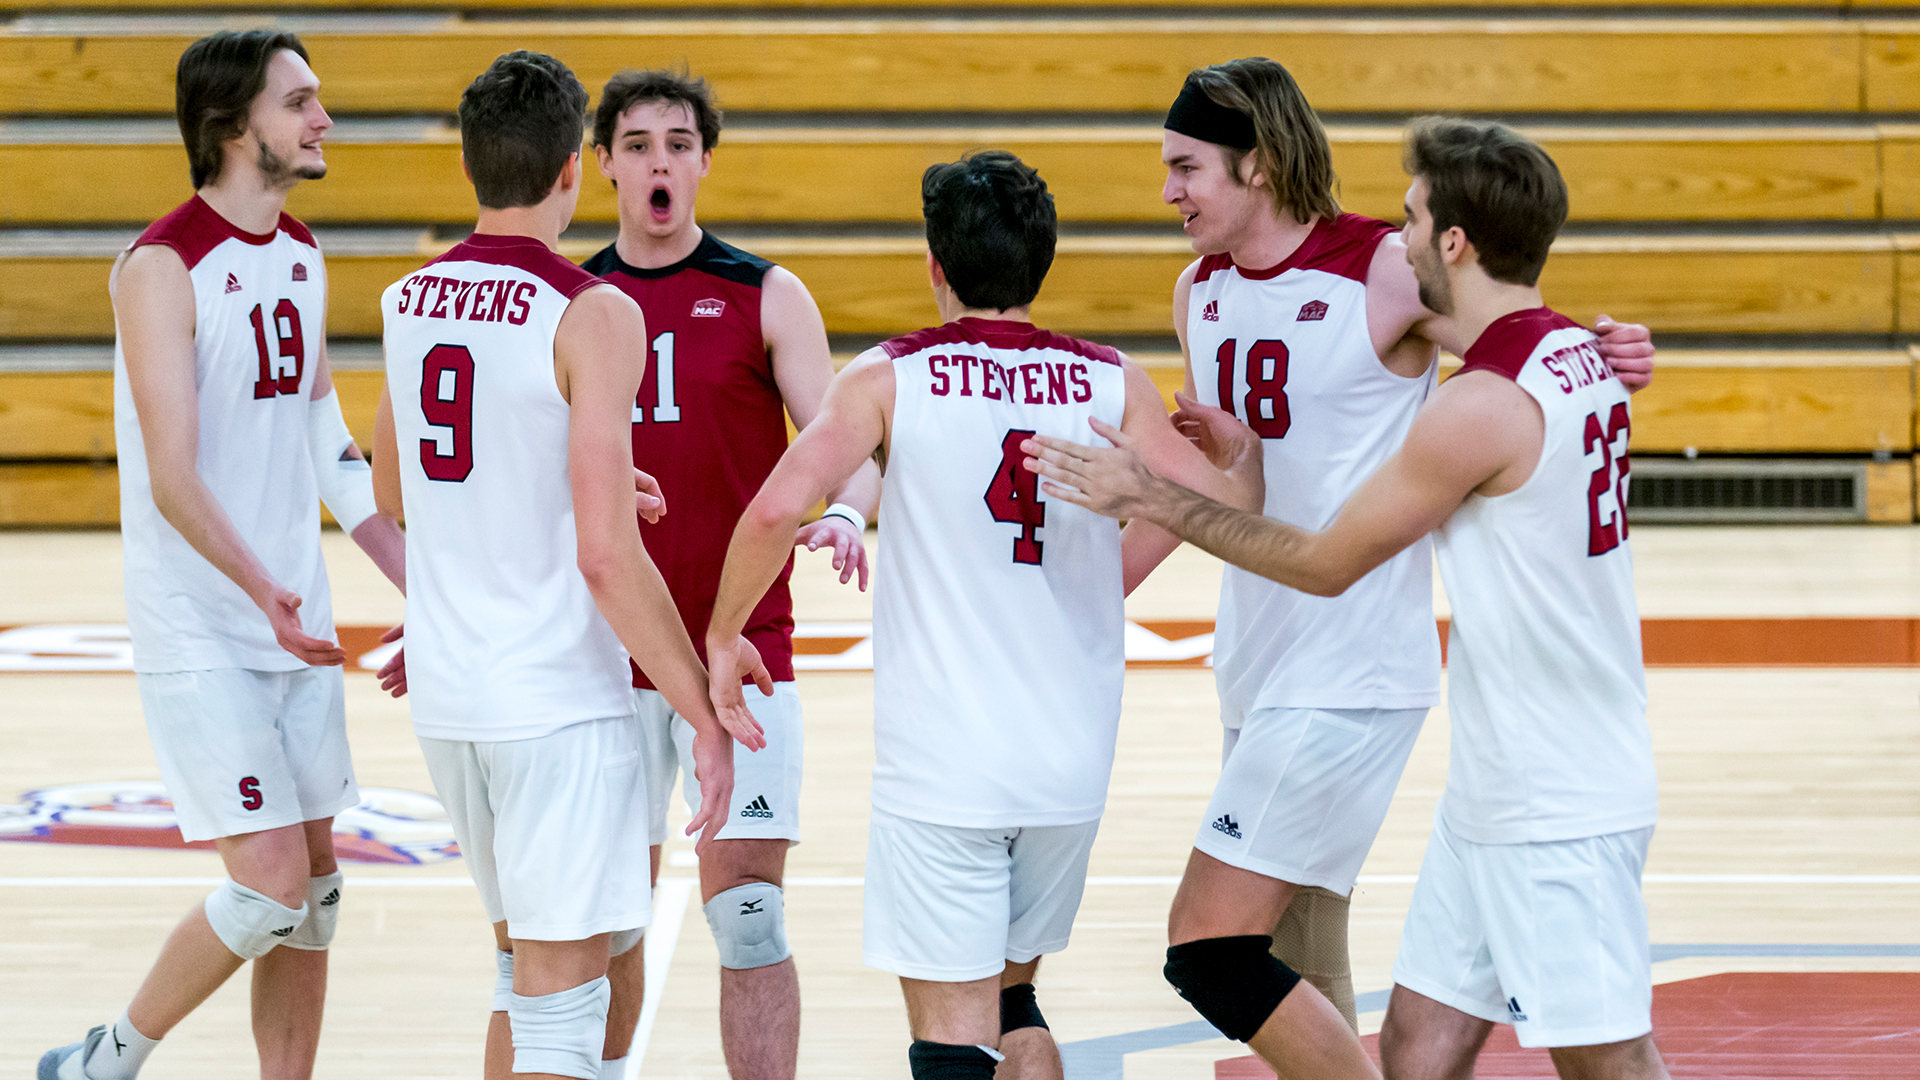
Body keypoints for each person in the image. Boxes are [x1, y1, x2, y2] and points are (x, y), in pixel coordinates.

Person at [1025, 115, 1668, 1080]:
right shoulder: (1563, 360)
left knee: (1609, 1065)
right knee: (1412, 1050)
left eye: (1411, 220)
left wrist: (1147, 493)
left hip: (1554, 792)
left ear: (1454, 241)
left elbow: (1328, 560)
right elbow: (1513, 335)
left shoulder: (1478, 404)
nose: (1394, 238)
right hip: (1490, 786)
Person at [702, 151, 1266, 1080]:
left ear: (936, 265)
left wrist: (725, 636)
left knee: (953, 1042)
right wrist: (1237, 461)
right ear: (1042, 262)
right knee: (1015, 1004)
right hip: (1067, 765)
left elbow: (772, 510)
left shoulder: (889, 376)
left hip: (947, 768)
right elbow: (1207, 510)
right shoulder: (1110, 378)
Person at [370, 51, 754, 1080]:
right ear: (573, 172)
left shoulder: (409, 300)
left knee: (525, 984)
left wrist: (550, 487)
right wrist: (703, 716)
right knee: (562, 1014)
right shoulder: (594, 310)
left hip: (453, 698)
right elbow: (605, 555)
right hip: (551, 701)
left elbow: (398, 497)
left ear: (474, 169)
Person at [40, 30, 407, 1080]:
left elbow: (334, 454)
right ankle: (106, 1060)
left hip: (293, 622)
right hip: (202, 625)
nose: (322, 118)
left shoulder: (300, 253)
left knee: (319, 889)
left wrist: (431, 588)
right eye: (299, 101)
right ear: (233, 125)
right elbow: (173, 475)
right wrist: (267, 593)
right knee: (268, 888)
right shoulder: (159, 266)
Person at [577, 68, 881, 1080]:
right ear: (603, 163)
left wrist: (843, 512)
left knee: (748, 917)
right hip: (604, 654)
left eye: (677, 142)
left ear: (705, 160)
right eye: (637, 144)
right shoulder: (569, 301)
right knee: (604, 921)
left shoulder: (765, 294)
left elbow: (852, 448)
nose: (658, 161)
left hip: (746, 646)